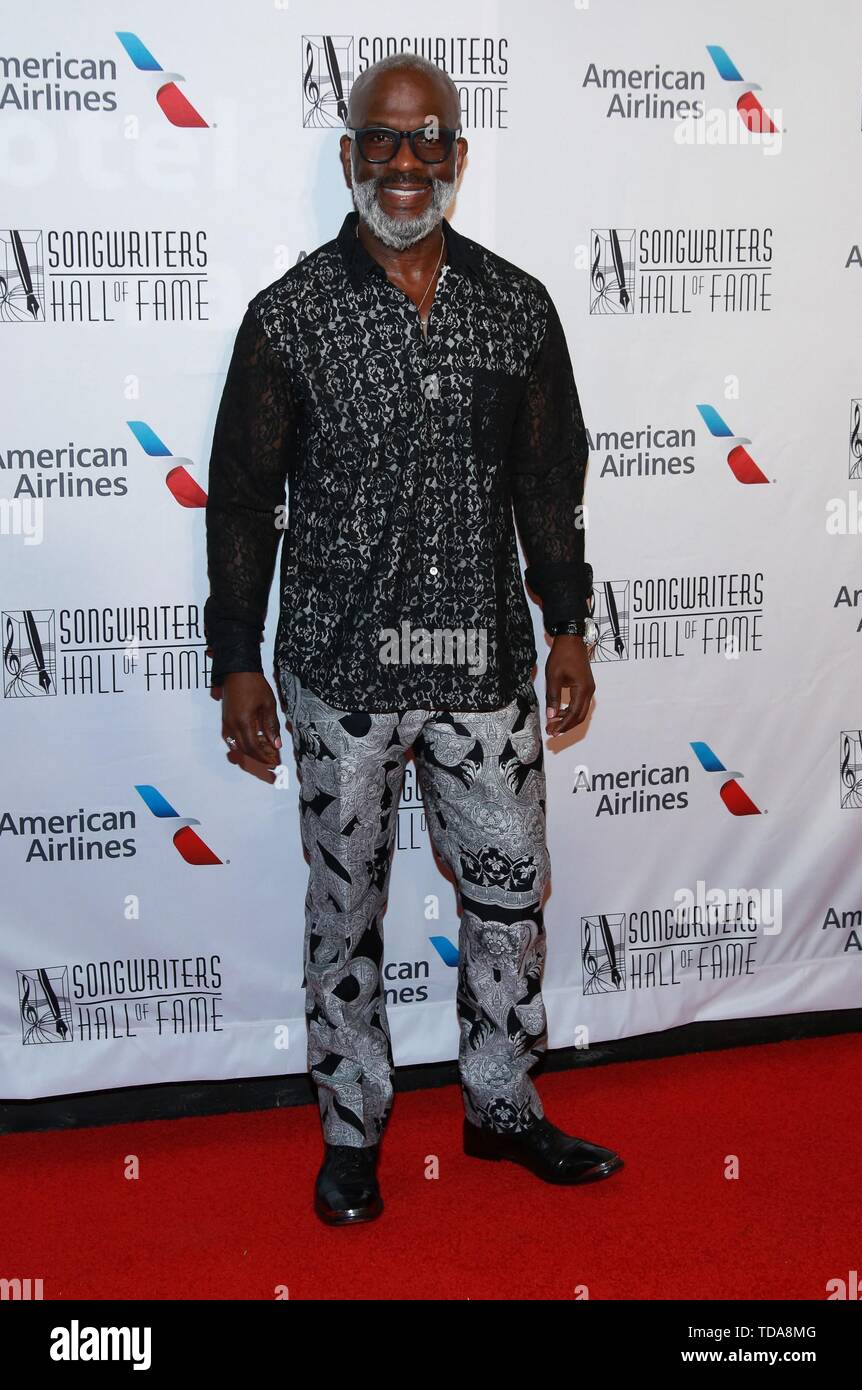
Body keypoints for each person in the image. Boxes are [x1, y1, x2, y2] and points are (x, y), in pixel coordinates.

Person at [203, 52, 623, 1226]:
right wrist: (238, 652)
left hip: (483, 669)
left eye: (425, 137)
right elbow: (242, 495)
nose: (403, 160)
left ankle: (500, 1108)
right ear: (348, 158)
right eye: (380, 140)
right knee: (346, 914)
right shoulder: (289, 315)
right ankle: (350, 1130)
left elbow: (549, 481)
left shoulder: (517, 307)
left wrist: (569, 623)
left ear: (457, 157)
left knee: (503, 899)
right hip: (338, 673)